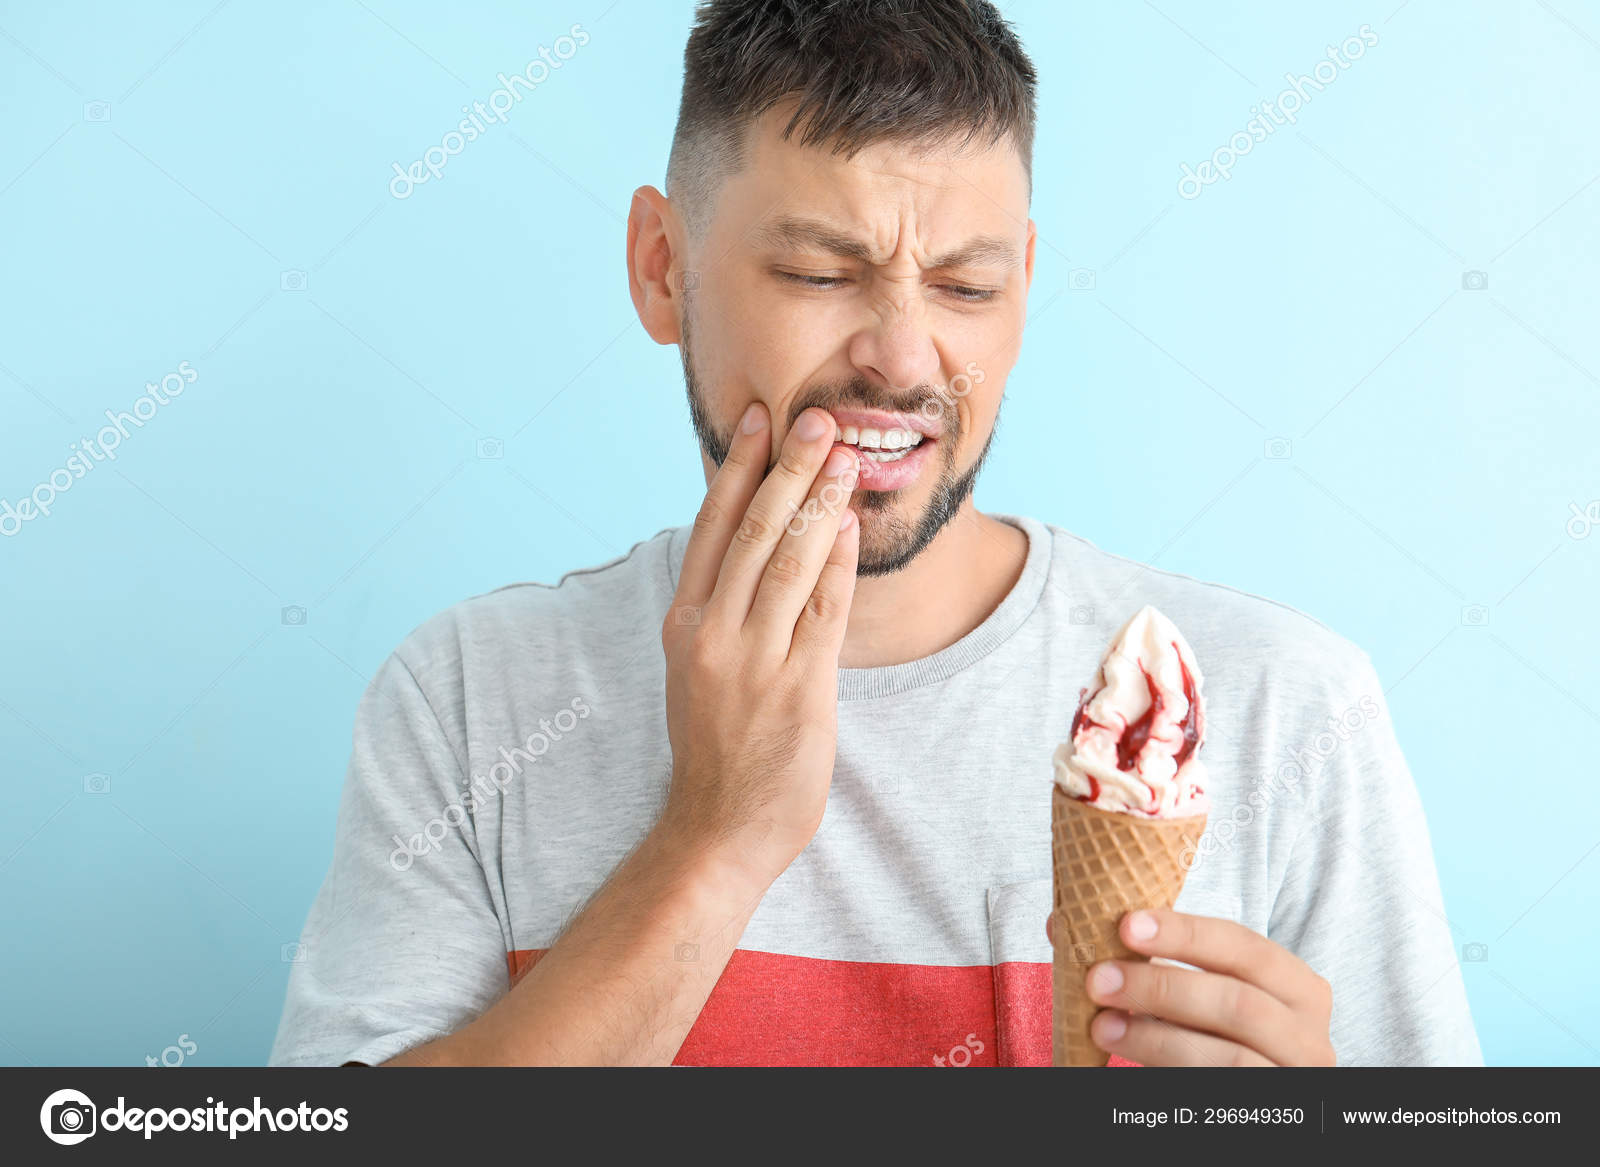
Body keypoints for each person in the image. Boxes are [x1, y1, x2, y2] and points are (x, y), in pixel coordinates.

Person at [271, 0, 1479, 1067]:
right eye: (815, 271)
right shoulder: (472, 701)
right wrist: (714, 840)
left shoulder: (1283, 708)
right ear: (660, 269)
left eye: (965, 287)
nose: (904, 359)